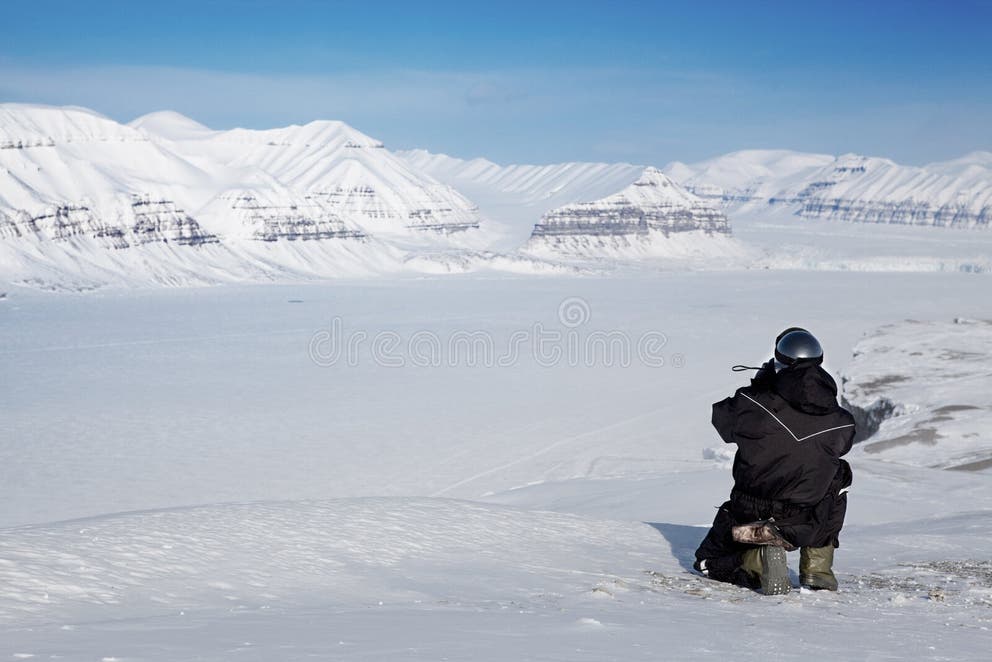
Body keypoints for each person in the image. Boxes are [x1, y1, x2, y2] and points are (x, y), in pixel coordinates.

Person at [693, 327, 855, 595]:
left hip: (750, 513)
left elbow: (721, 420)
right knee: (839, 474)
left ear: (778, 361)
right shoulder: (840, 421)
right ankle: (817, 569)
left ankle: (757, 559)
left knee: (708, 562)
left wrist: (761, 385)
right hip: (807, 519)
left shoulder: (752, 403)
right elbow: (841, 446)